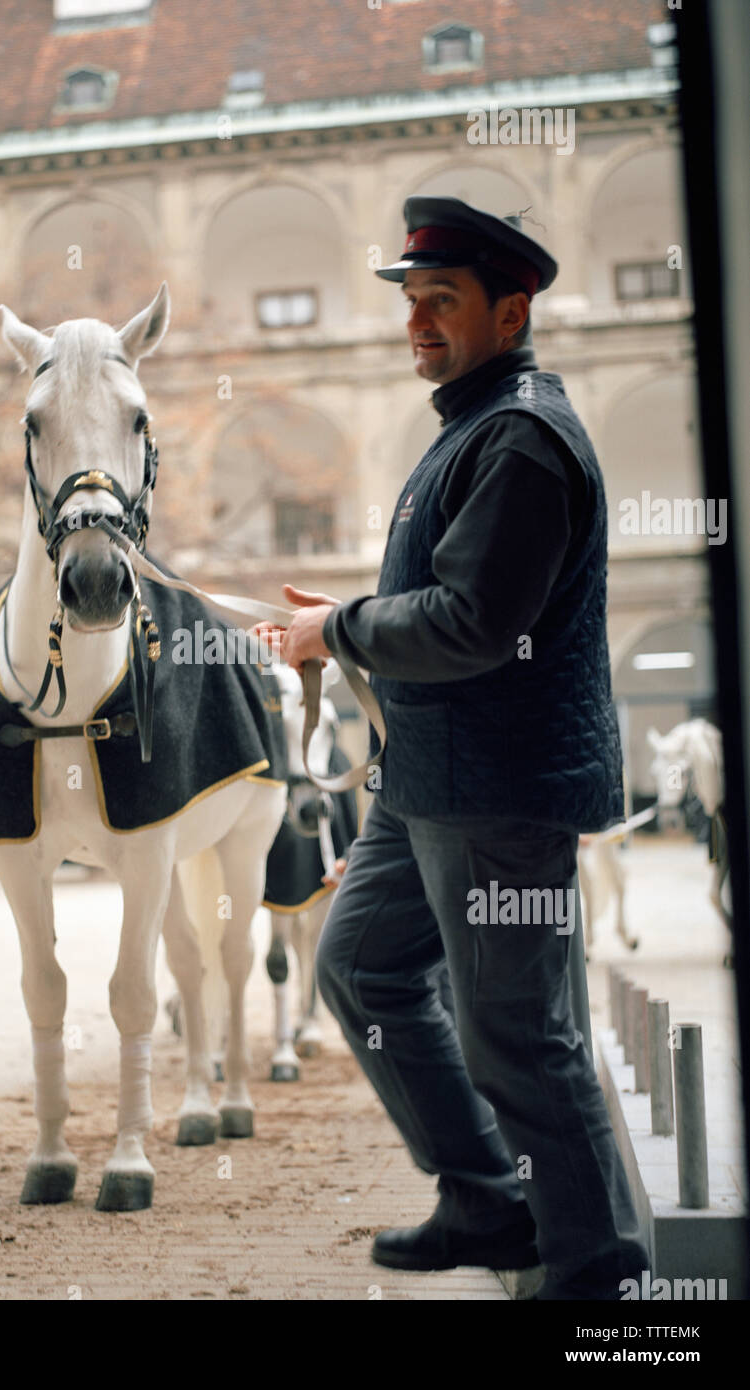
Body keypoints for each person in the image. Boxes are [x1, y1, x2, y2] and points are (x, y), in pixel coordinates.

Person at [259, 196, 648, 1300]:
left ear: (512, 310)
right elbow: (449, 598)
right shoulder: (473, 426)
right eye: (411, 303)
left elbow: (477, 623)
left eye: (443, 301)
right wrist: (344, 619)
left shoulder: (518, 438)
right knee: (361, 965)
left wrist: (334, 629)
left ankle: (601, 1291)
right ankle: (484, 1190)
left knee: (521, 1044)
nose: (417, 322)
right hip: (426, 782)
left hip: (495, 789)